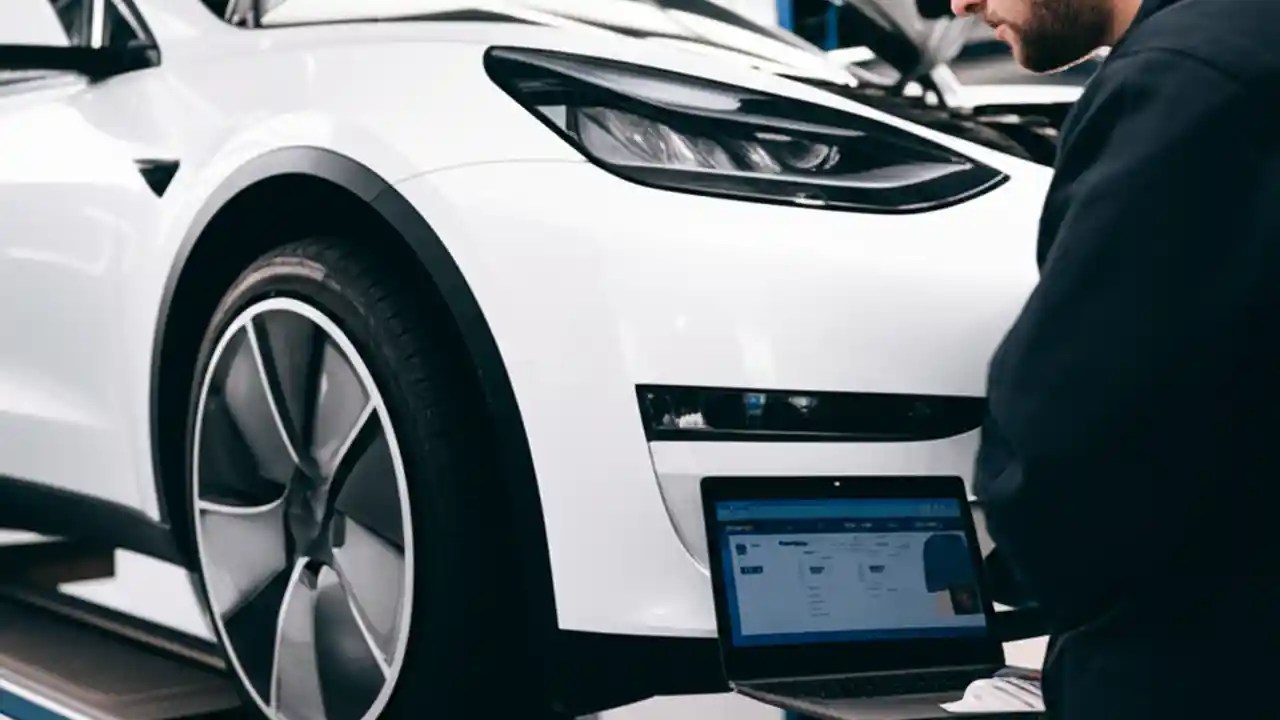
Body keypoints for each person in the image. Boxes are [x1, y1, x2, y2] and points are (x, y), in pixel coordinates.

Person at [947, 0, 1280, 717]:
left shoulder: (1185, 77)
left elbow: (1068, 432)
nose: (961, 5)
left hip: (1199, 664)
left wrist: (1046, 581)